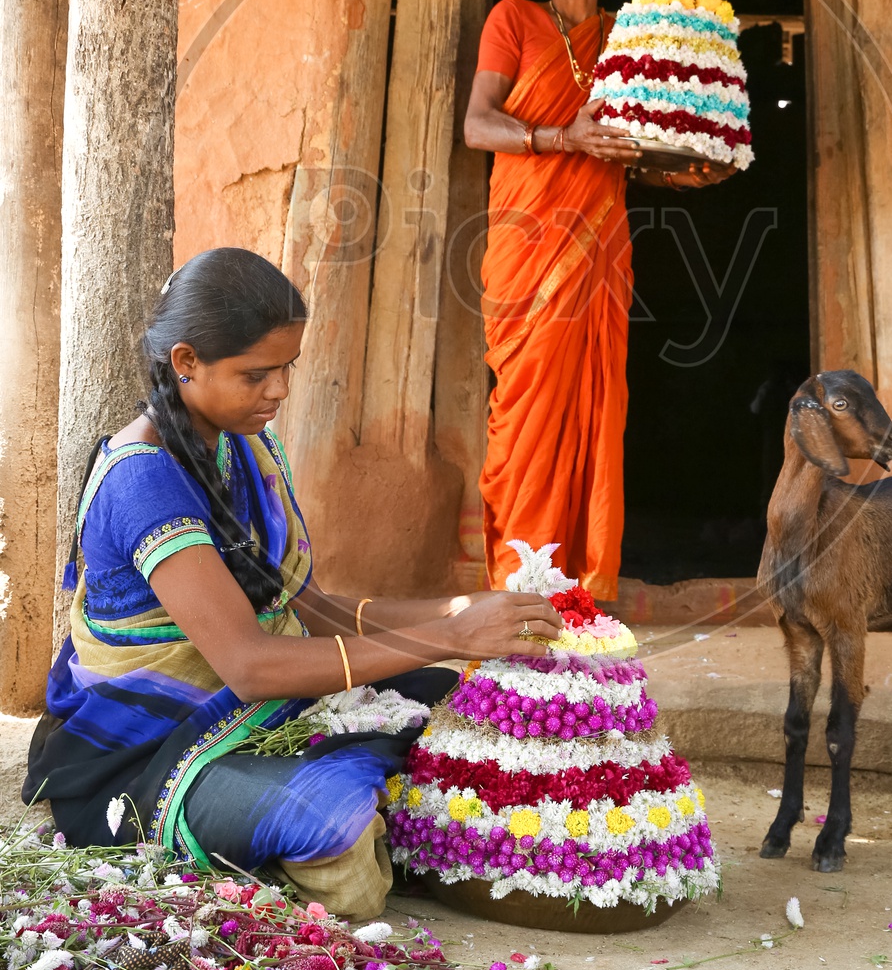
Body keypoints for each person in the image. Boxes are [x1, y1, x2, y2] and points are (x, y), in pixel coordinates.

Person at [25, 248, 560, 918]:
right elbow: (250, 664)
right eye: (256, 374)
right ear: (185, 361)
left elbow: (307, 606)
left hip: (260, 711)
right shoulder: (145, 480)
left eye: (286, 368)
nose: (278, 390)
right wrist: (448, 632)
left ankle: (336, 827)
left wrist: (462, 611)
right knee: (333, 820)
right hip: (143, 758)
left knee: (463, 707)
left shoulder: (243, 443)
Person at [464, 0, 728, 600]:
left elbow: (633, 149)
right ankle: (520, 583)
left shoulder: (633, 34)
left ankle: (578, 585)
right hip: (526, 245)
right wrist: (559, 138)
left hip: (598, 243)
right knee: (526, 405)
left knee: (592, 404)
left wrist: (684, 167)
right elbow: (478, 125)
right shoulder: (513, 20)